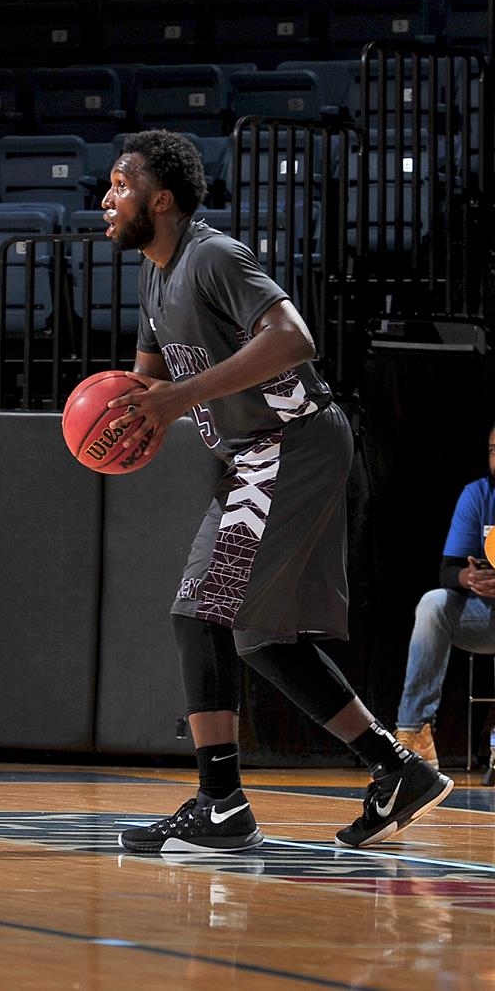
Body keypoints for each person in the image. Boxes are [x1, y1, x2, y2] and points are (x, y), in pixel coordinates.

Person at [100, 129, 454, 853]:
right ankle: (395, 768)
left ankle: (222, 804)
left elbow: (294, 338)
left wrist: (175, 398)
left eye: (120, 184)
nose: (106, 198)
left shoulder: (213, 256)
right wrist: (121, 419)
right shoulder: (155, 275)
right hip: (257, 454)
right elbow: (147, 383)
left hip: (290, 442)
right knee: (255, 633)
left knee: (201, 612)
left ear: (160, 199)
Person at [393, 425, 495, 772]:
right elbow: (449, 570)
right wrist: (468, 578)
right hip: (485, 616)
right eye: (494, 450)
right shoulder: (478, 495)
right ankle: (413, 734)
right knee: (434, 603)